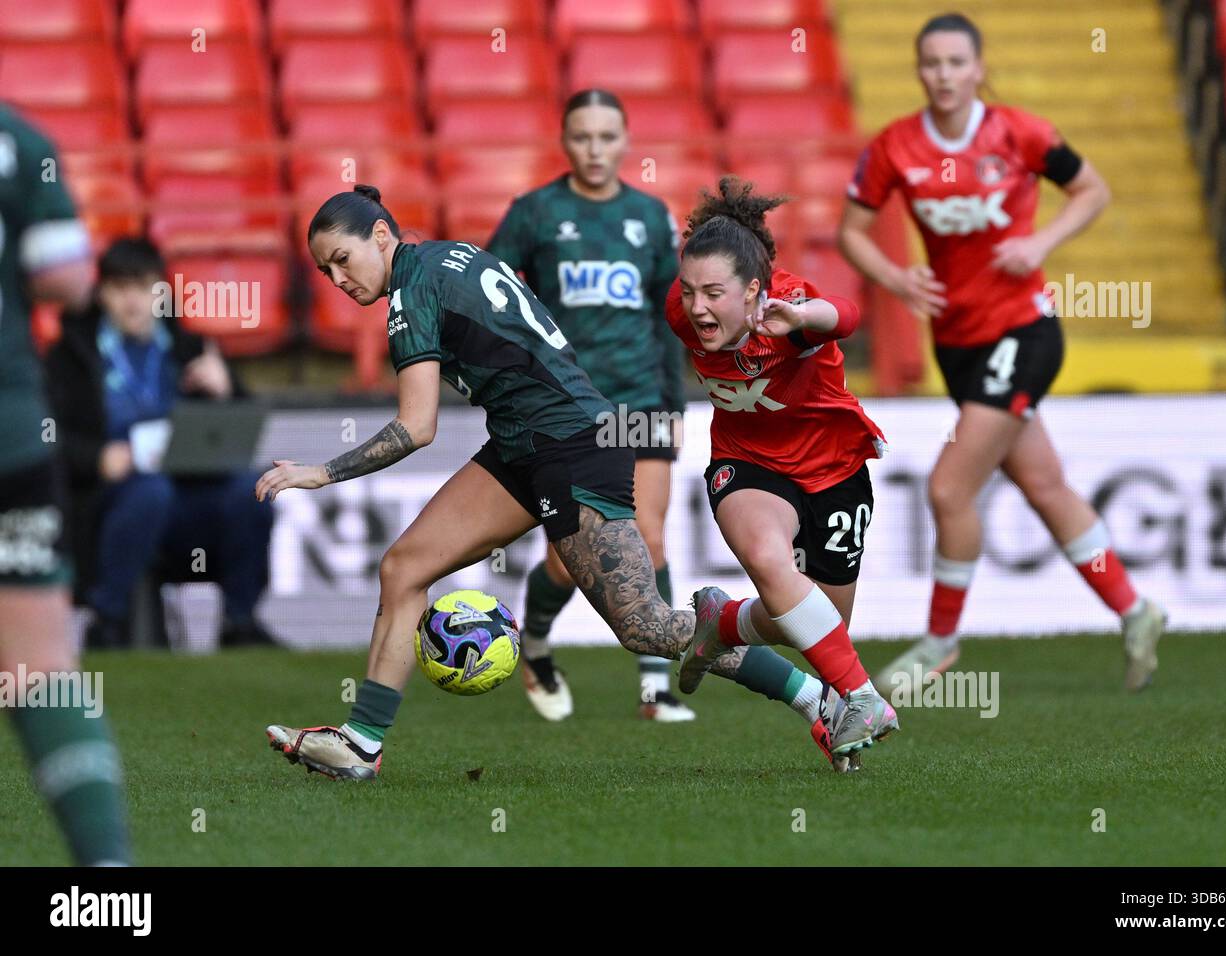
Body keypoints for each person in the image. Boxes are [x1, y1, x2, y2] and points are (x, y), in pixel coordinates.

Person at [259, 186, 850, 780]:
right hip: (525, 445)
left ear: (382, 236)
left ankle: (817, 699)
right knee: (403, 567)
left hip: (573, 450)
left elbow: (417, 427)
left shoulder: (411, 293)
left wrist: (321, 472)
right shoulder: (448, 257)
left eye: (343, 258)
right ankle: (362, 742)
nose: (336, 277)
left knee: (644, 625)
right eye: (323, 269)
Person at [837, 13, 1165, 692]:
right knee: (1044, 487)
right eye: (931, 63)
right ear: (918, 69)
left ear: (979, 67)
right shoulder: (895, 146)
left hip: (1024, 333)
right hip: (958, 345)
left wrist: (1041, 245)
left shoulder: (1021, 132)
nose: (944, 74)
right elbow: (852, 233)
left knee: (948, 487)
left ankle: (941, 641)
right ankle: (1136, 610)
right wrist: (896, 279)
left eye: (957, 62)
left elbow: (1092, 190)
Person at [665, 176, 901, 763]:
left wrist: (801, 318)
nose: (697, 307)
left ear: (753, 291)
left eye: (713, 292)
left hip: (836, 469)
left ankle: (725, 623)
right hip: (747, 465)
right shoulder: (680, 313)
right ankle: (861, 696)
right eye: (690, 289)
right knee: (772, 562)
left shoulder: (788, 310)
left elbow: (845, 314)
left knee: (811, 620)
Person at [487, 89, 692, 723]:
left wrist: (675, 400)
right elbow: (489, 291)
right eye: (582, 137)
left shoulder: (651, 216)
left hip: (643, 399)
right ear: (564, 141)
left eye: (607, 137)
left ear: (626, 141)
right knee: (571, 559)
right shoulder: (536, 213)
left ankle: (654, 686)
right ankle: (538, 644)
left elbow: (674, 314)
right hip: (569, 406)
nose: (595, 150)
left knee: (648, 538)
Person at [0, 105, 132, 864]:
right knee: (40, 668)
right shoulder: (19, 144)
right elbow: (66, 280)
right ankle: (108, 875)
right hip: (10, 431)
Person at [45, 237, 276, 649]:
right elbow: (48, 438)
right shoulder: (69, 357)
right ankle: (107, 623)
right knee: (149, 492)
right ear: (102, 294)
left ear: (161, 291)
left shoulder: (191, 349)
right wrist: (97, 458)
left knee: (250, 488)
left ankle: (239, 622)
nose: (132, 301)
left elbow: (240, 429)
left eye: (143, 287)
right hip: (108, 504)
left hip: (187, 497)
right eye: (120, 288)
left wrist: (227, 392)